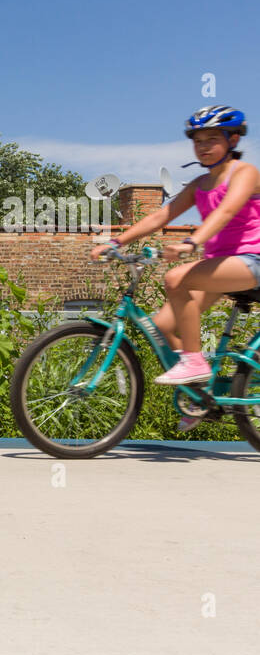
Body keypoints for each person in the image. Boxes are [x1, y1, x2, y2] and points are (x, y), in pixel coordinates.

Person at [89, 106, 260, 426]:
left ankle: (195, 364)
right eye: (198, 140)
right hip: (220, 264)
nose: (203, 146)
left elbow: (225, 212)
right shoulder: (199, 184)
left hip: (253, 260)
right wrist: (116, 243)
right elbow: (160, 216)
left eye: (212, 138)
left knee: (176, 278)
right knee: (163, 326)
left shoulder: (245, 173)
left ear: (233, 139)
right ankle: (201, 395)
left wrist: (190, 244)